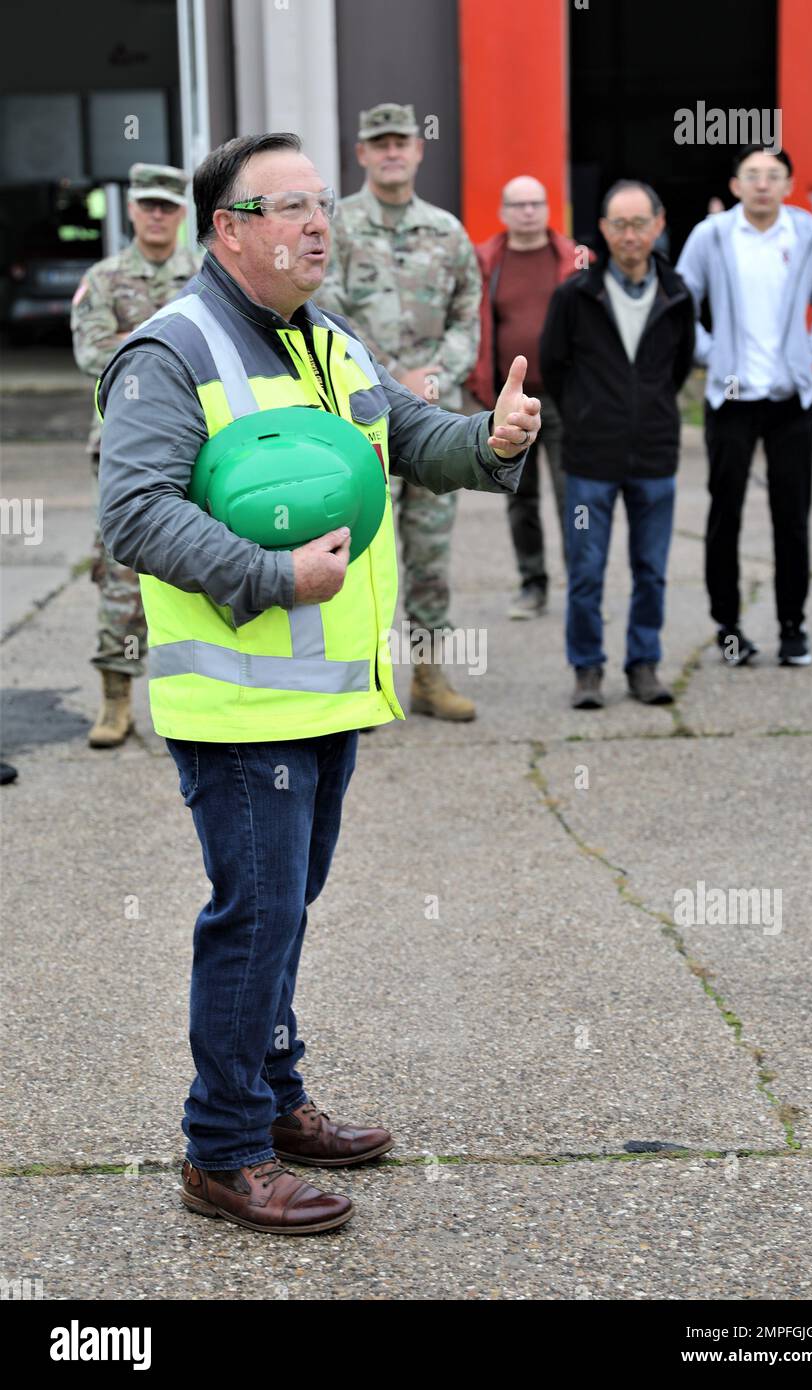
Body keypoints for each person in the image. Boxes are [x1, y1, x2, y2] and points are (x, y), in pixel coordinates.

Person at [95, 132, 538, 1236]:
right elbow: (134, 512)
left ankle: (276, 1099)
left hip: (324, 692)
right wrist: (272, 575)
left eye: (319, 204)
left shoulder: (326, 340)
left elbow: (403, 430)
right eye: (285, 205)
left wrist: (487, 438)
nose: (315, 223)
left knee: (286, 913)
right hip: (240, 703)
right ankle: (224, 1149)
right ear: (227, 228)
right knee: (253, 920)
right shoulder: (172, 349)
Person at [317, 103, 481, 720]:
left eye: (401, 142)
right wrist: (393, 381)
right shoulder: (333, 229)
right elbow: (326, 316)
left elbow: (468, 314)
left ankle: (431, 680)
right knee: (360, 555)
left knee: (431, 558)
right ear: (361, 153)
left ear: (418, 149)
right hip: (359, 423)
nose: (391, 151)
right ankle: (365, 684)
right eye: (378, 142)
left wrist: (436, 375)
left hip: (436, 419)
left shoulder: (447, 231)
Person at [676, 145, 812, 667]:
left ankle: (792, 627)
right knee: (724, 512)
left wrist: (806, 358)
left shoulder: (810, 235)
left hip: (791, 399)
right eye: (752, 176)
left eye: (774, 176)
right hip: (730, 398)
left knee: (790, 515)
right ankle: (728, 629)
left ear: (789, 185)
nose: (762, 185)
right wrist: (711, 355)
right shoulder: (713, 235)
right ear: (735, 186)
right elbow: (682, 303)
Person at [540, 180, 695, 708]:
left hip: (654, 454)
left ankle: (644, 665)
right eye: (619, 224)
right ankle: (587, 670)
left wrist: (644, 411)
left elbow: (678, 368)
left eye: (639, 223)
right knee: (586, 570)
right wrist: (589, 414)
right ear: (603, 230)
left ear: (658, 224)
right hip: (590, 458)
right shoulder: (576, 294)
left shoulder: (677, 295)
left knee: (650, 569)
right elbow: (553, 367)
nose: (630, 235)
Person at [71, 163, 199, 748]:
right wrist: (168, 344)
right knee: (122, 574)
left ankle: (203, 692)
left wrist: (141, 344)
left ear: (182, 213)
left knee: (200, 563)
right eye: (147, 204)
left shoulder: (205, 276)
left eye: (167, 206)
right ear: (130, 209)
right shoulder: (103, 278)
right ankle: (116, 698)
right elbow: (93, 352)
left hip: (198, 445)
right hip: (123, 448)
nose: (156, 214)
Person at [468, 176, 579, 619]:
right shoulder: (486, 261)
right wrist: (481, 388)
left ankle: (581, 592)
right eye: (518, 204)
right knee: (521, 497)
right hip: (509, 404)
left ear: (549, 208)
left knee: (575, 496)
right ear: (503, 212)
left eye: (536, 203)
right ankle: (532, 586)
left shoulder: (573, 259)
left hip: (565, 401)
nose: (528, 211)